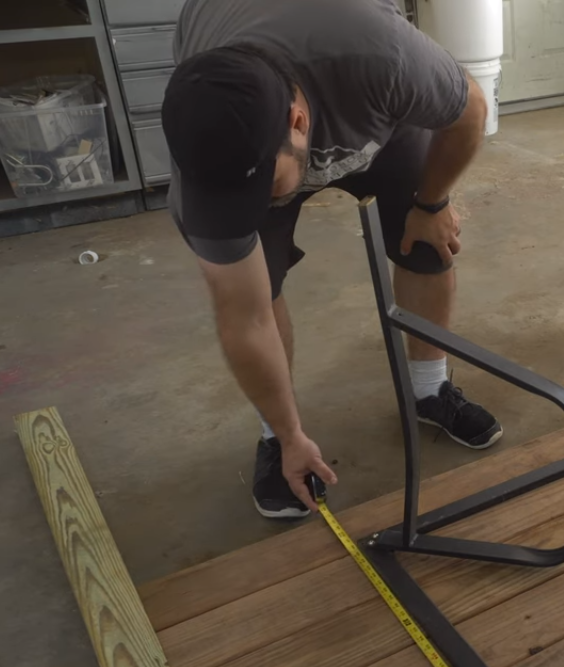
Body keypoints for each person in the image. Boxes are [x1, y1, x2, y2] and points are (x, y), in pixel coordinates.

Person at [162, 0, 502, 520]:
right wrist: (292, 435)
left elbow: (471, 110)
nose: (260, 207)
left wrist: (432, 204)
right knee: (259, 283)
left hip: (366, 104)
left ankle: (429, 392)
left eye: (265, 189)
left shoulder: (380, 56)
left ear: (298, 120)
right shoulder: (208, 141)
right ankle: (277, 434)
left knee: (427, 244)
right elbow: (245, 317)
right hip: (259, 104)